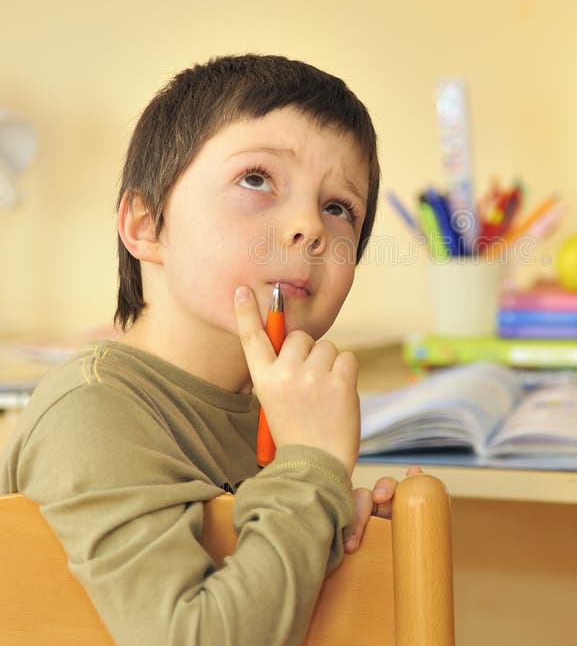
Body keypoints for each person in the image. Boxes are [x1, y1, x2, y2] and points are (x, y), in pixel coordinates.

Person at [0, 54, 419, 645]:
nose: (309, 226)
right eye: (256, 179)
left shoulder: (273, 411)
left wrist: (323, 519)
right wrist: (308, 475)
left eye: (338, 208)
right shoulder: (92, 412)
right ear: (146, 225)